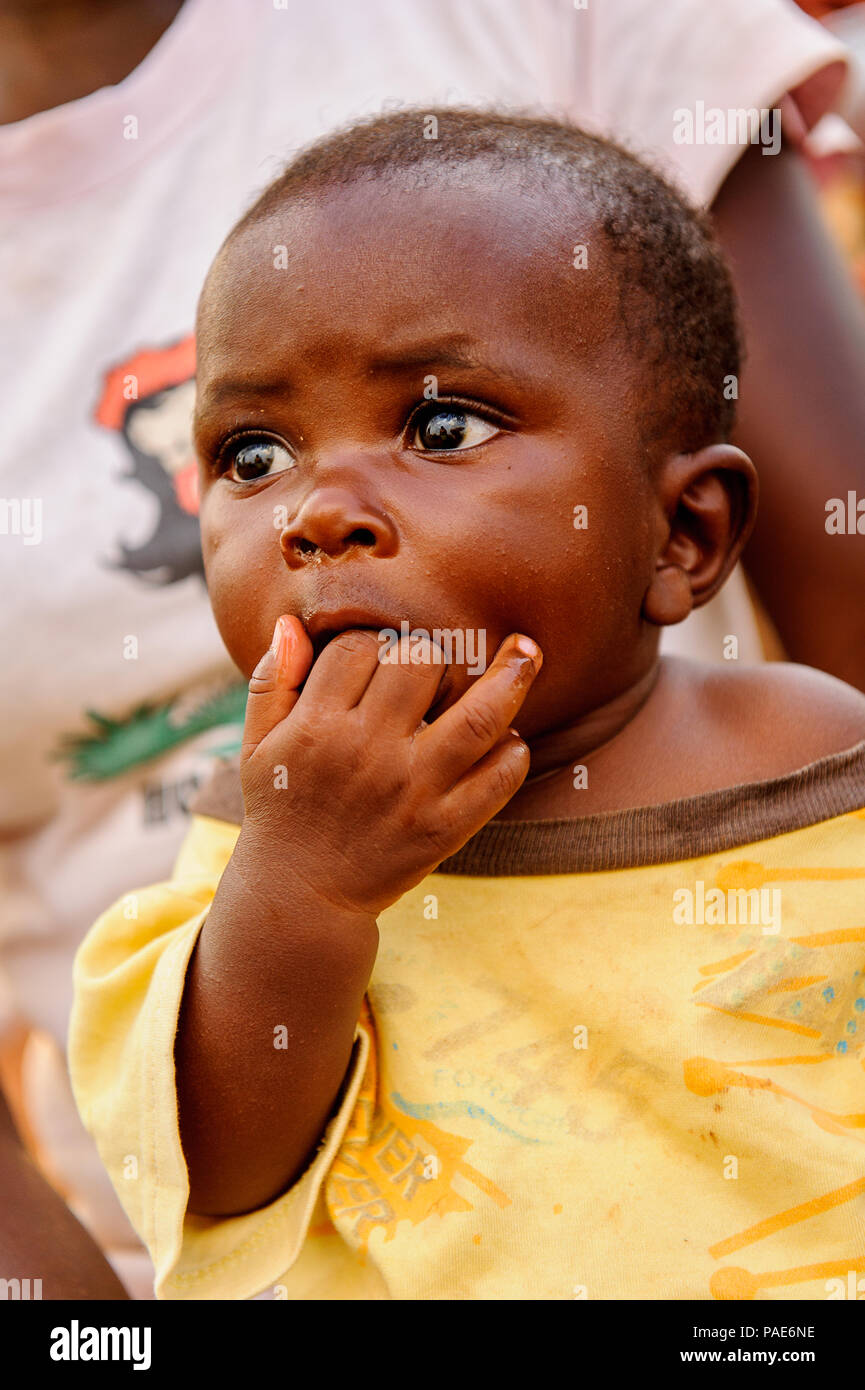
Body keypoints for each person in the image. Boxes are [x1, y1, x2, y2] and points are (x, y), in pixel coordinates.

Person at [3, 0, 863, 1299]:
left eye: (443, 428)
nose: (319, 509)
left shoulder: (819, 775)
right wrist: (304, 895)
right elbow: (215, 1178)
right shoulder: (246, 858)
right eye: (252, 455)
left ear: (682, 536)